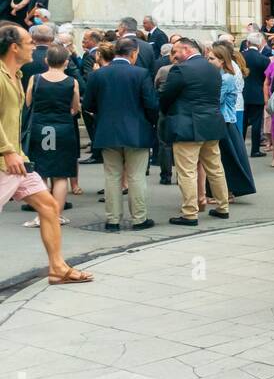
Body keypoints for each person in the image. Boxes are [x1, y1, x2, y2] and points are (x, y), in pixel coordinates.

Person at [0, 26, 92, 284]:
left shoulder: (17, 75)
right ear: (14, 47)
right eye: (29, 42)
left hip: (18, 161)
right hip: (6, 161)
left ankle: (57, 268)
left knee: (50, 207)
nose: (35, 48)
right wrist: (7, 151)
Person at [81, 35, 157, 231]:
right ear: (134, 53)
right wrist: (151, 122)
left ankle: (112, 219)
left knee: (112, 176)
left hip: (108, 131)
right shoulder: (141, 73)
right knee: (136, 177)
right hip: (137, 131)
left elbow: (88, 104)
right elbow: (151, 104)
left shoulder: (98, 75)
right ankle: (139, 219)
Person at [158, 37, 229, 226]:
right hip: (211, 124)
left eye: (176, 51)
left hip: (186, 126)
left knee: (187, 171)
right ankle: (223, 207)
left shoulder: (180, 70)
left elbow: (166, 97)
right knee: (215, 168)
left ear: (187, 49)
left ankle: (190, 212)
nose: (174, 55)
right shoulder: (213, 69)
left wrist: (165, 112)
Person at [22, 41, 79, 228]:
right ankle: (57, 216)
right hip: (63, 128)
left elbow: (28, 103)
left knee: (40, 174)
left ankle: (42, 216)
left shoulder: (35, 79)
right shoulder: (72, 82)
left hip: (40, 127)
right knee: (61, 175)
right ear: (66, 62)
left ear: (46, 60)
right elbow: (75, 108)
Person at [207, 42, 256, 198]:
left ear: (221, 60)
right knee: (224, 159)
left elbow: (216, 99)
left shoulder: (226, 77)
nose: (208, 61)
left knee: (227, 160)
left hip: (225, 121)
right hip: (223, 120)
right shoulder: (220, 75)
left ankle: (227, 193)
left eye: (211, 58)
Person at [241, 33, 270, 157]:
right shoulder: (264, 59)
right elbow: (267, 79)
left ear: (248, 43)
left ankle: (240, 149)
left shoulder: (241, 56)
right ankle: (255, 149)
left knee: (242, 122)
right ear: (259, 45)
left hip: (243, 93)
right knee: (257, 123)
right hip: (258, 94)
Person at [153, 43, 175, 184]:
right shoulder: (187, 70)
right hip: (180, 110)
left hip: (165, 110)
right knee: (181, 144)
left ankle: (165, 176)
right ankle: (182, 176)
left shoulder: (163, 70)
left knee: (164, 144)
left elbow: (155, 85)